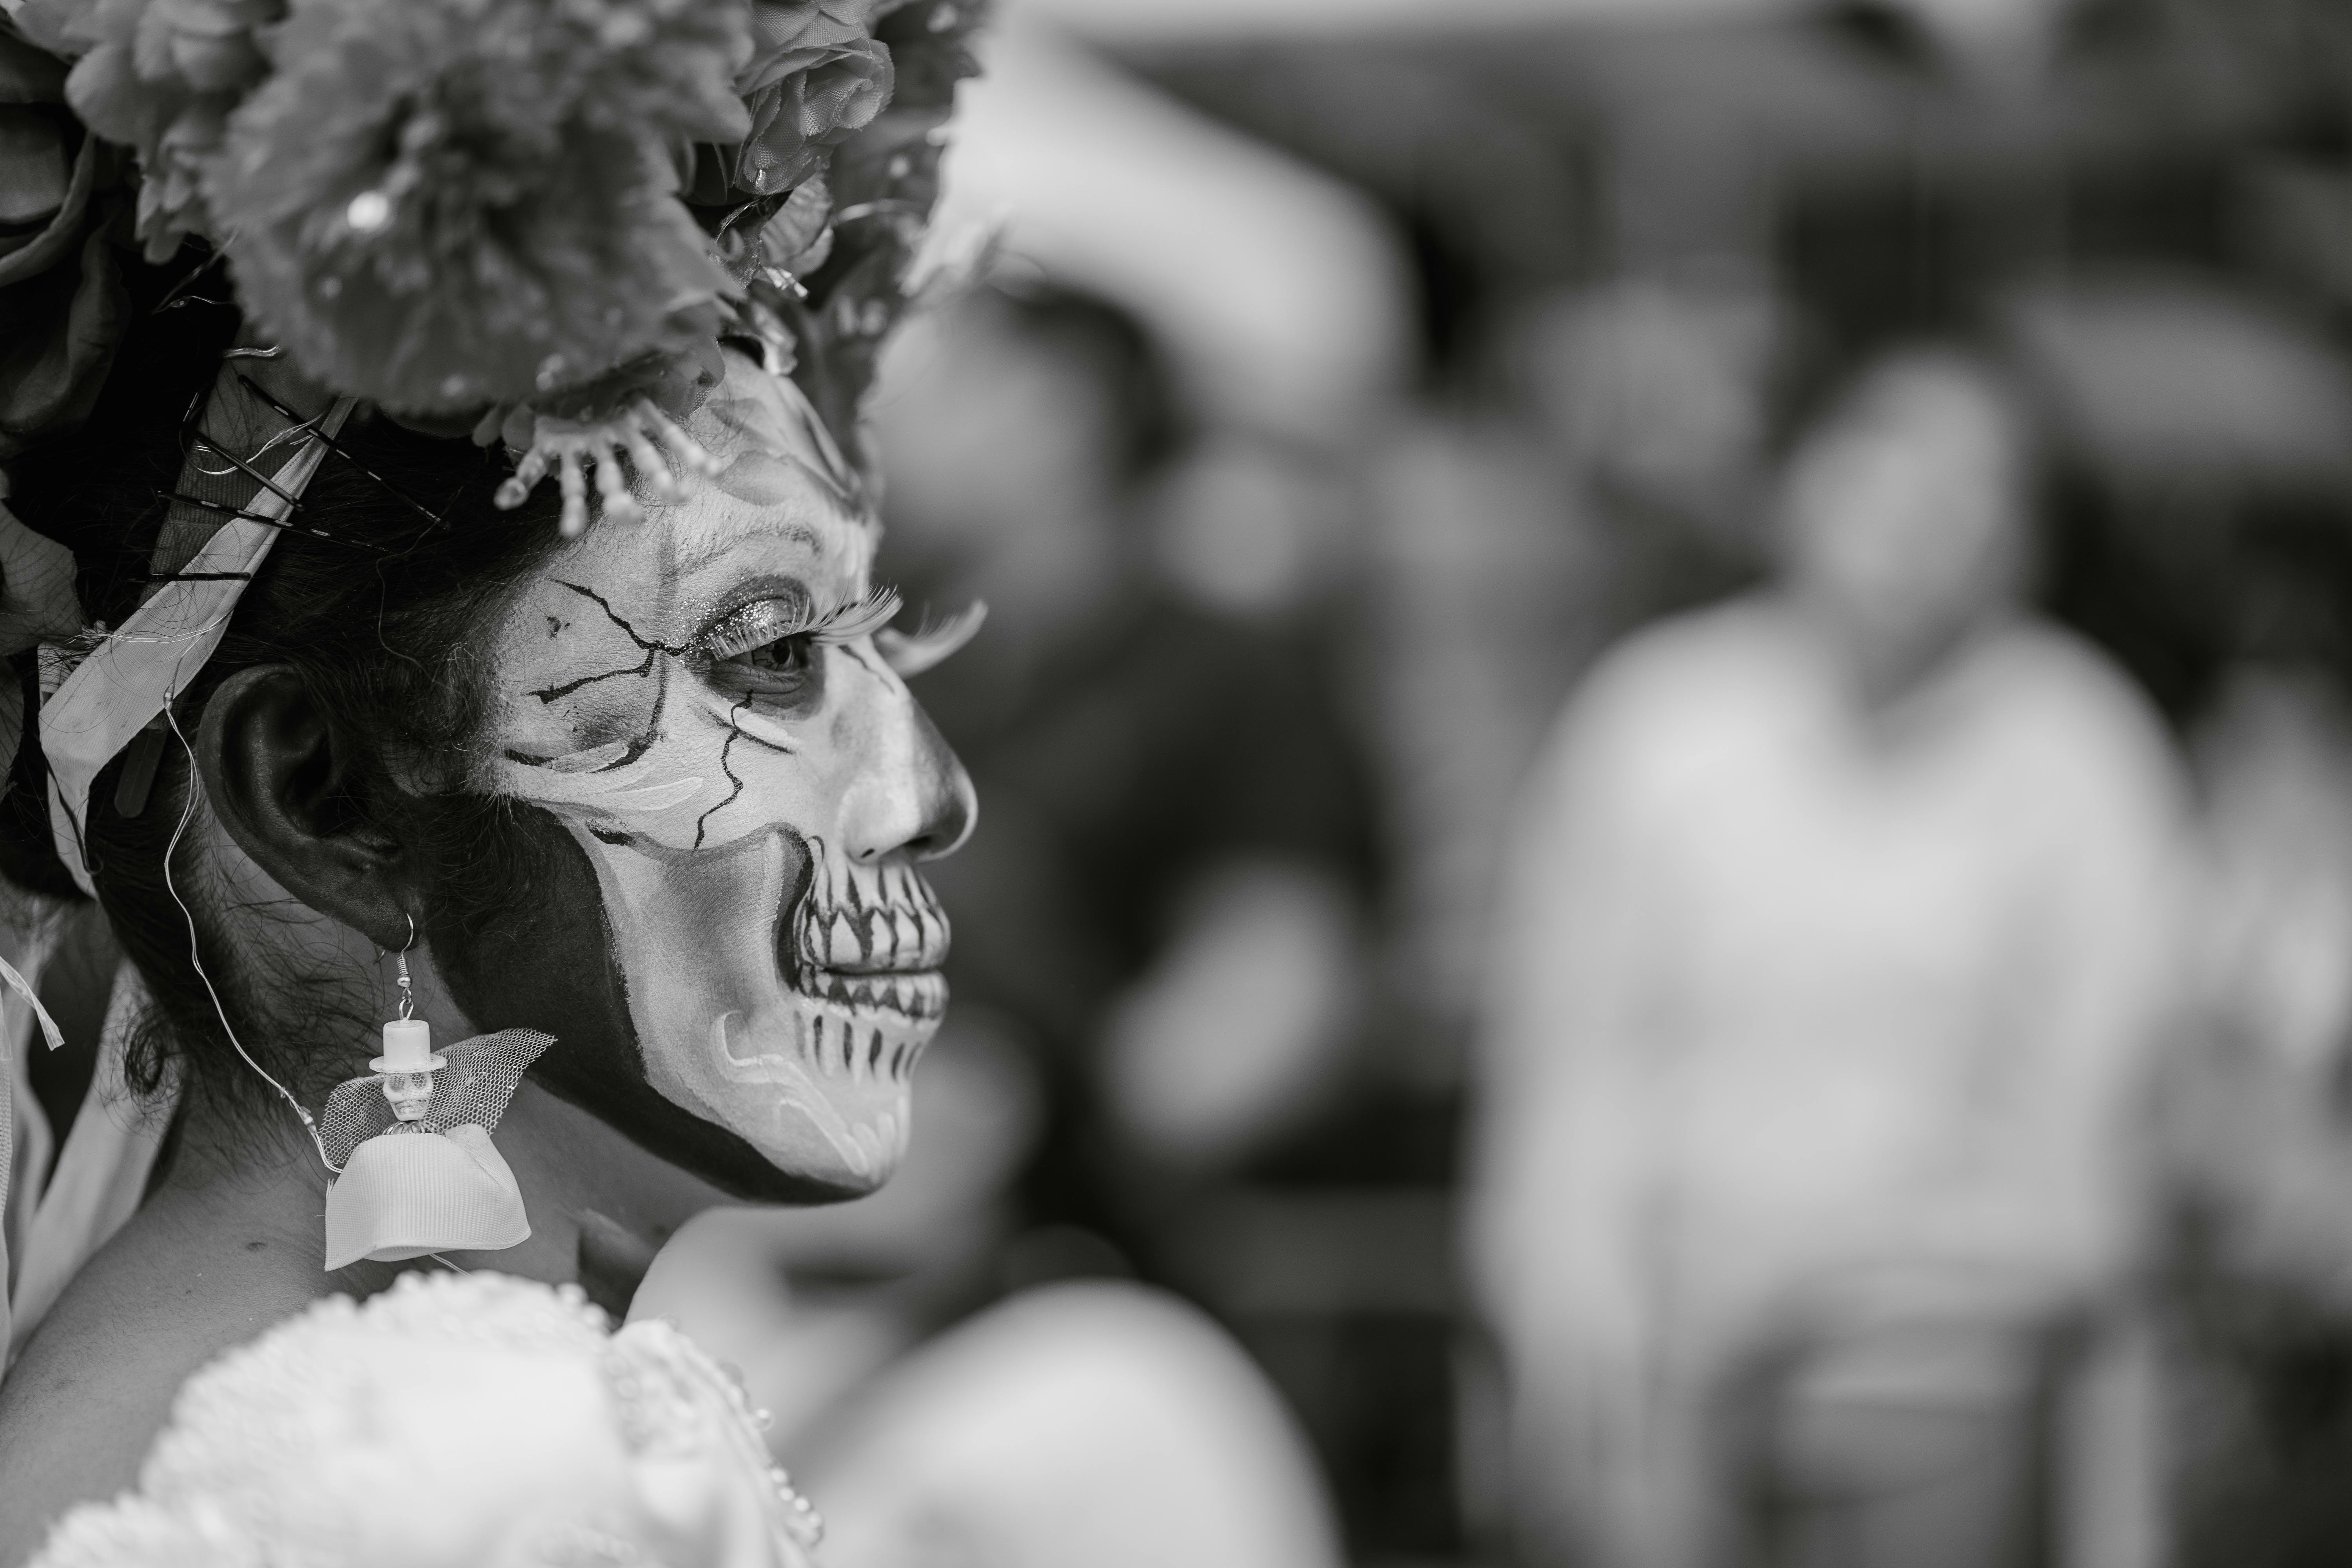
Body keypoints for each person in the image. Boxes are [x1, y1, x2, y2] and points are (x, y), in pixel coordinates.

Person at [0, 0, 989, 1560]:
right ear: (319, 798)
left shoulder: (318, 1398)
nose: (924, 793)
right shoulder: (479, 1484)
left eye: (877, 647)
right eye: (770, 647)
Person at [1466, 343, 2190, 1567]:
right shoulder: (1654, 721)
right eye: (1887, 456)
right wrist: (1563, 1347)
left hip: (1939, 1390)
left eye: (1977, 484)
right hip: (1658, 1389)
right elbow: (1564, 1077)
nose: (1922, 512)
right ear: (1795, 479)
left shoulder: (2083, 755)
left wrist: (1829, 1289)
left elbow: (2095, 1166)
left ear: (2028, 541)